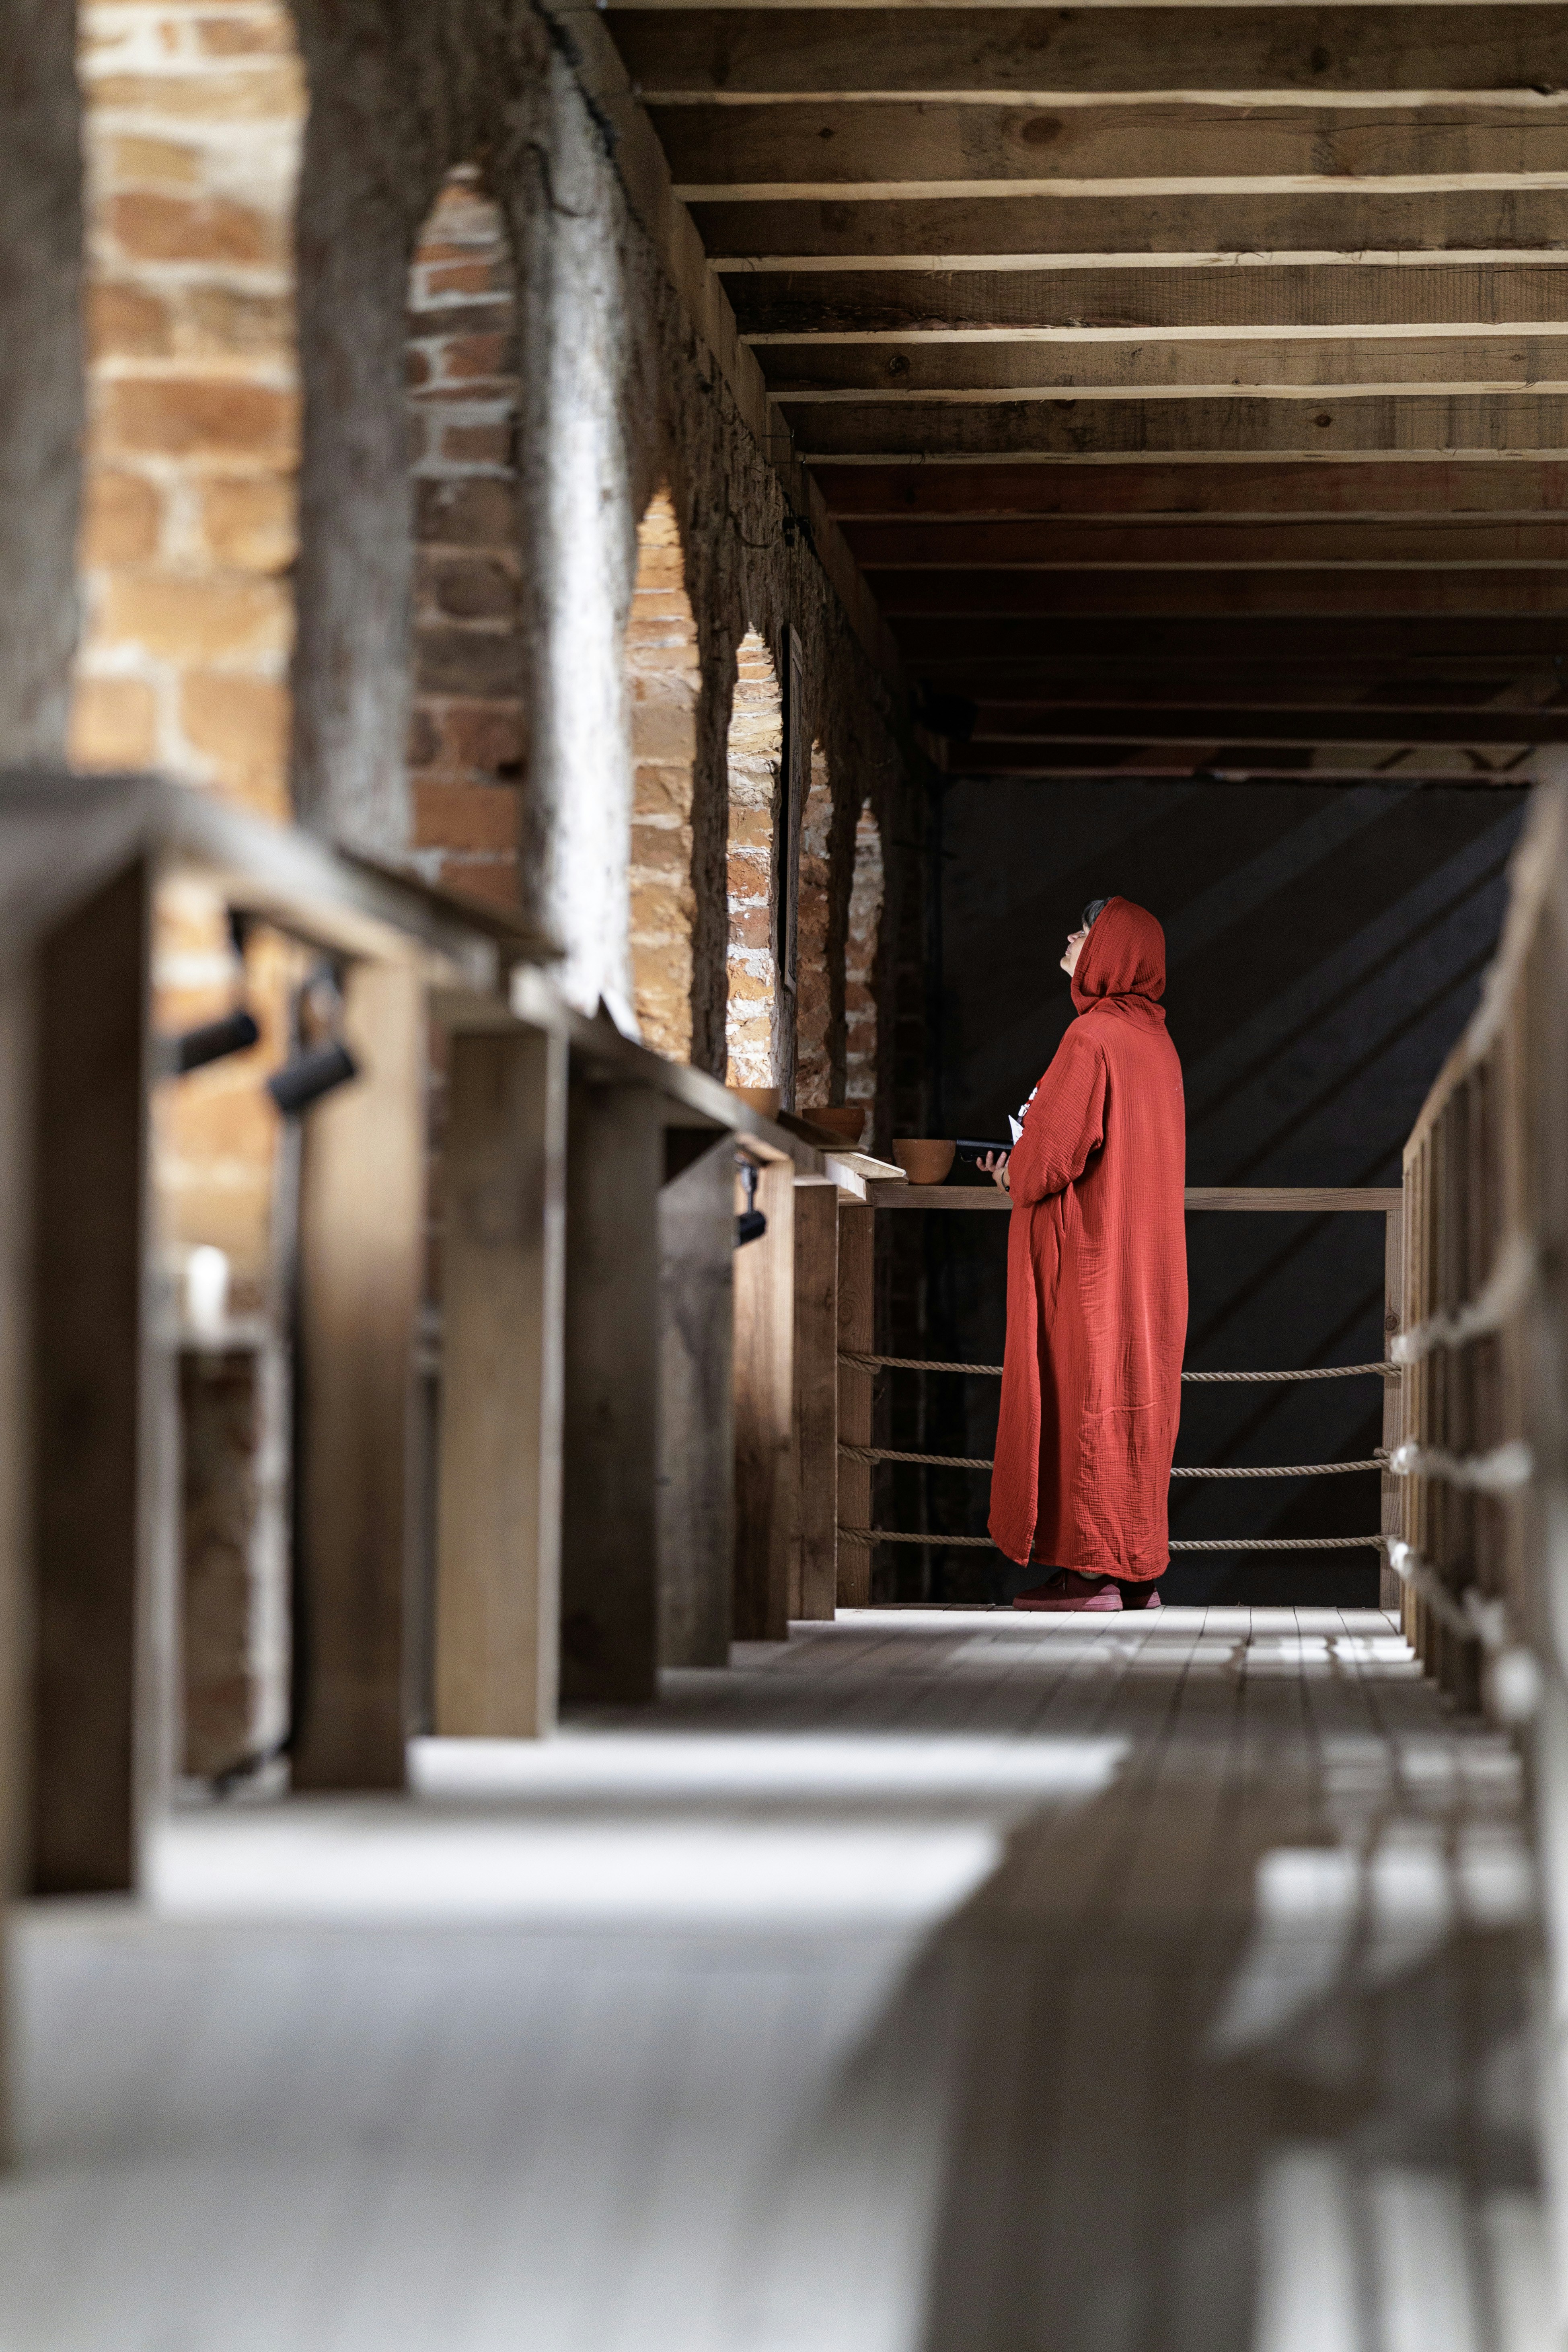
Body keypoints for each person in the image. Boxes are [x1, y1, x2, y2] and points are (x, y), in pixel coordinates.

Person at [977, 897, 1186, 1612]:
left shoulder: (1091, 1037)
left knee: (1083, 1400)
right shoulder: (1158, 1043)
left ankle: (1090, 1575)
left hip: (1090, 1263)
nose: (1070, 936)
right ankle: (1135, 1574)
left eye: (1085, 930)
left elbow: (1047, 1162)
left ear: (1112, 950)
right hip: (1147, 1264)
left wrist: (1013, 1170)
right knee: (1135, 1402)